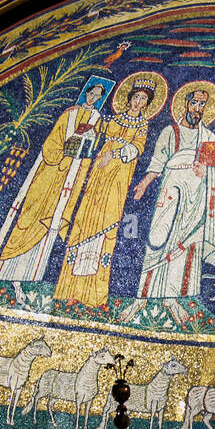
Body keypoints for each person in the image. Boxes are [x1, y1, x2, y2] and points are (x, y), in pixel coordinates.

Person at [0, 77, 109, 306]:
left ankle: (19, 282)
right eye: (91, 93)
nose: (93, 98)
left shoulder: (97, 120)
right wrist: (66, 151)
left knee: (48, 228)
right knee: (26, 221)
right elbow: (51, 145)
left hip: (69, 182)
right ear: (85, 93)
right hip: (49, 175)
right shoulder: (68, 115)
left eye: (98, 96)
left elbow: (91, 152)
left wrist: (86, 146)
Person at [54, 75, 161, 306]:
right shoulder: (110, 119)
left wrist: (114, 153)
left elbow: (137, 148)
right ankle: (71, 290)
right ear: (129, 98)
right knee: (84, 222)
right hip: (98, 175)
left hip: (118, 179)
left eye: (143, 99)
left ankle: (95, 294)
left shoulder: (142, 126)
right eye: (136, 97)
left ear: (147, 104)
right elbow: (91, 135)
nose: (138, 102)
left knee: (106, 227)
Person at [120, 85, 215, 325]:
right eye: (194, 103)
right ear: (185, 104)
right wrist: (144, 184)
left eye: (202, 105)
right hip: (170, 192)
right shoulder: (170, 132)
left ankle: (172, 299)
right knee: (157, 240)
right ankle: (141, 298)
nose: (197, 109)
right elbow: (157, 163)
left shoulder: (208, 136)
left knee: (186, 248)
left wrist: (205, 170)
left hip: (196, 197)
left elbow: (213, 170)